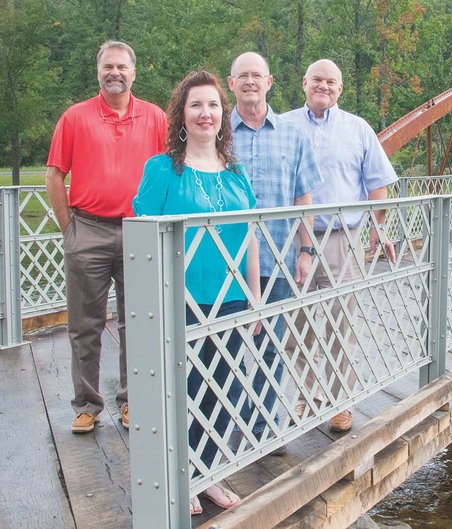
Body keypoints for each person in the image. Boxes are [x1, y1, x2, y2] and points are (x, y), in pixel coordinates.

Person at [133, 70, 258, 516]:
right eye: (196, 105)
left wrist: (255, 296)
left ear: (222, 116)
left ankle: (211, 474)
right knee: (180, 390)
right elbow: (143, 239)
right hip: (179, 300)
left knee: (222, 388)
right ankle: (179, 476)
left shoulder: (237, 172)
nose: (206, 113)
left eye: (212, 105)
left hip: (232, 297)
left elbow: (252, 238)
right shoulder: (162, 169)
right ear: (182, 116)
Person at [46, 40, 167, 435]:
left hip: (140, 230)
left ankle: (135, 400)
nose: (115, 73)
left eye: (122, 66)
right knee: (85, 323)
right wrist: (69, 228)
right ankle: (86, 404)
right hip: (89, 228)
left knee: (140, 321)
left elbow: (171, 169)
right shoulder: (75, 117)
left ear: (134, 72)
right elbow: (54, 174)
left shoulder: (154, 117)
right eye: (107, 67)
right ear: (98, 72)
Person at [282, 59, 398, 433]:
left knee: (340, 323)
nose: (324, 86)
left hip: (341, 239)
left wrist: (379, 229)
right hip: (292, 239)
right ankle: (305, 395)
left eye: (331, 82)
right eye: (317, 79)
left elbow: (377, 184)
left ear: (340, 89)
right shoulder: (283, 125)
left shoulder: (358, 129)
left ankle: (340, 401)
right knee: (297, 325)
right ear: (304, 83)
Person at [228, 52, 323, 440]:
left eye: (257, 76)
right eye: (242, 76)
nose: (250, 82)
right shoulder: (215, 132)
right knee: (227, 350)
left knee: (271, 348)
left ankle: (264, 425)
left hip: (278, 258)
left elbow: (304, 199)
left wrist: (306, 251)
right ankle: (229, 424)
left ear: (269, 82)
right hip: (226, 263)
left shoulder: (292, 134)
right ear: (230, 83)